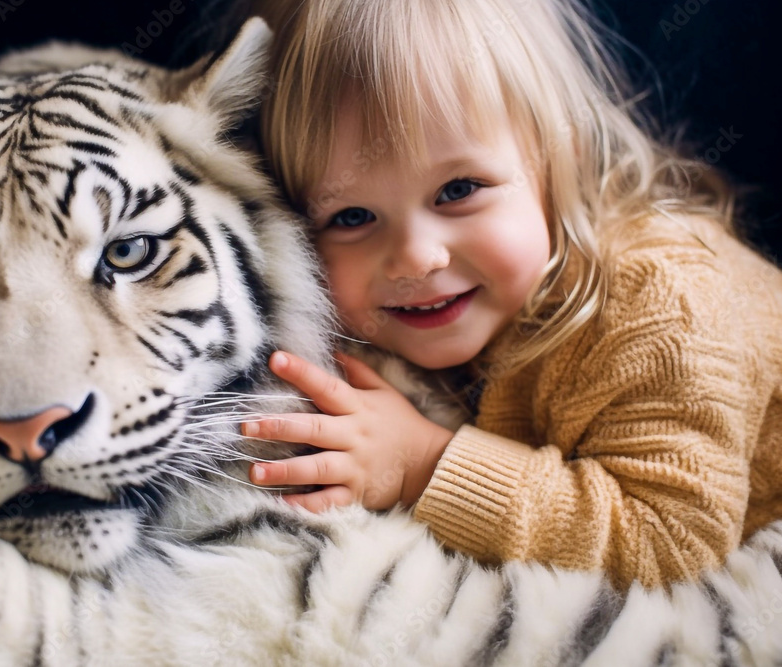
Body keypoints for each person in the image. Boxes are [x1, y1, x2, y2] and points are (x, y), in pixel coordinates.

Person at [236, 0, 782, 590]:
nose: (417, 258)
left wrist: (424, 464)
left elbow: (671, 543)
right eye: (352, 216)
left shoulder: (661, 308)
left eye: (459, 189)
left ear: (557, 159)